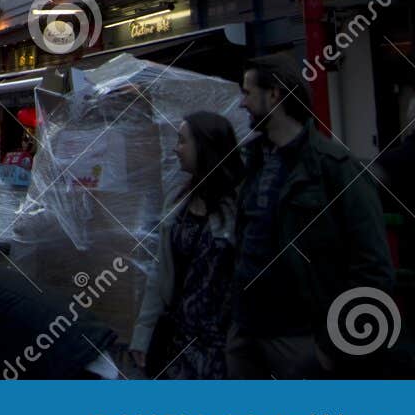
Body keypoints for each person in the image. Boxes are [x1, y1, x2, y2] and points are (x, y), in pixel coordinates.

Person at [228, 58, 395, 378]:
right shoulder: (253, 162)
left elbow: (372, 266)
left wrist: (332, 350)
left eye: (248, 93)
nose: (243, 103)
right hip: (247, 331)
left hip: (300, 337)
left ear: (273, 95)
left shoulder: (335, 166)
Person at [131, 111, 241, 378]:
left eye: (182, 141)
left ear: (204, 146)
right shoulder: (179, 202)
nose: (175, 149)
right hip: (179, 340)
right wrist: (143, 334)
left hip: (223, 347)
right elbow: (159, 274)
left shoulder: (239, 205)